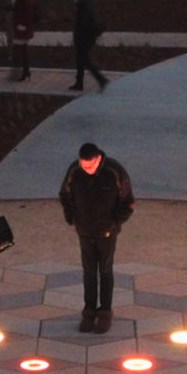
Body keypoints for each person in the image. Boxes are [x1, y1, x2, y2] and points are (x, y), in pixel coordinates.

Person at [58, 141, 134, 334]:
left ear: (98, 159)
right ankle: (89, 311)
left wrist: (116, 223)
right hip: (84, 231)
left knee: (105, 271)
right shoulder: (75, 171)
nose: (87, 169)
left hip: (107, 233)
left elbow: (128, 201)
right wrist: (71, 217)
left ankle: (105, 312)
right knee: (89, 272)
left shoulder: (114, 171)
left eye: (90, 166)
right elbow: (64, 194)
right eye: (84, 166)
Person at [68, 0, 107, 92]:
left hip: (84, 40)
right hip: (86, 40)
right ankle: (79, 83)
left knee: (85, 61)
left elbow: (82, 26)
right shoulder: (85, 6)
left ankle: (101, 79)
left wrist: (77, 37)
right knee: (80, 61)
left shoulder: (83, 8)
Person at [9, 0, 36, 82]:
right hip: (21, 27)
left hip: (21, 28)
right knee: (23, 50)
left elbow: (27, 12)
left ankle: (20, 73)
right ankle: (25, 71)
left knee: (18, 50)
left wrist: (22, 25)